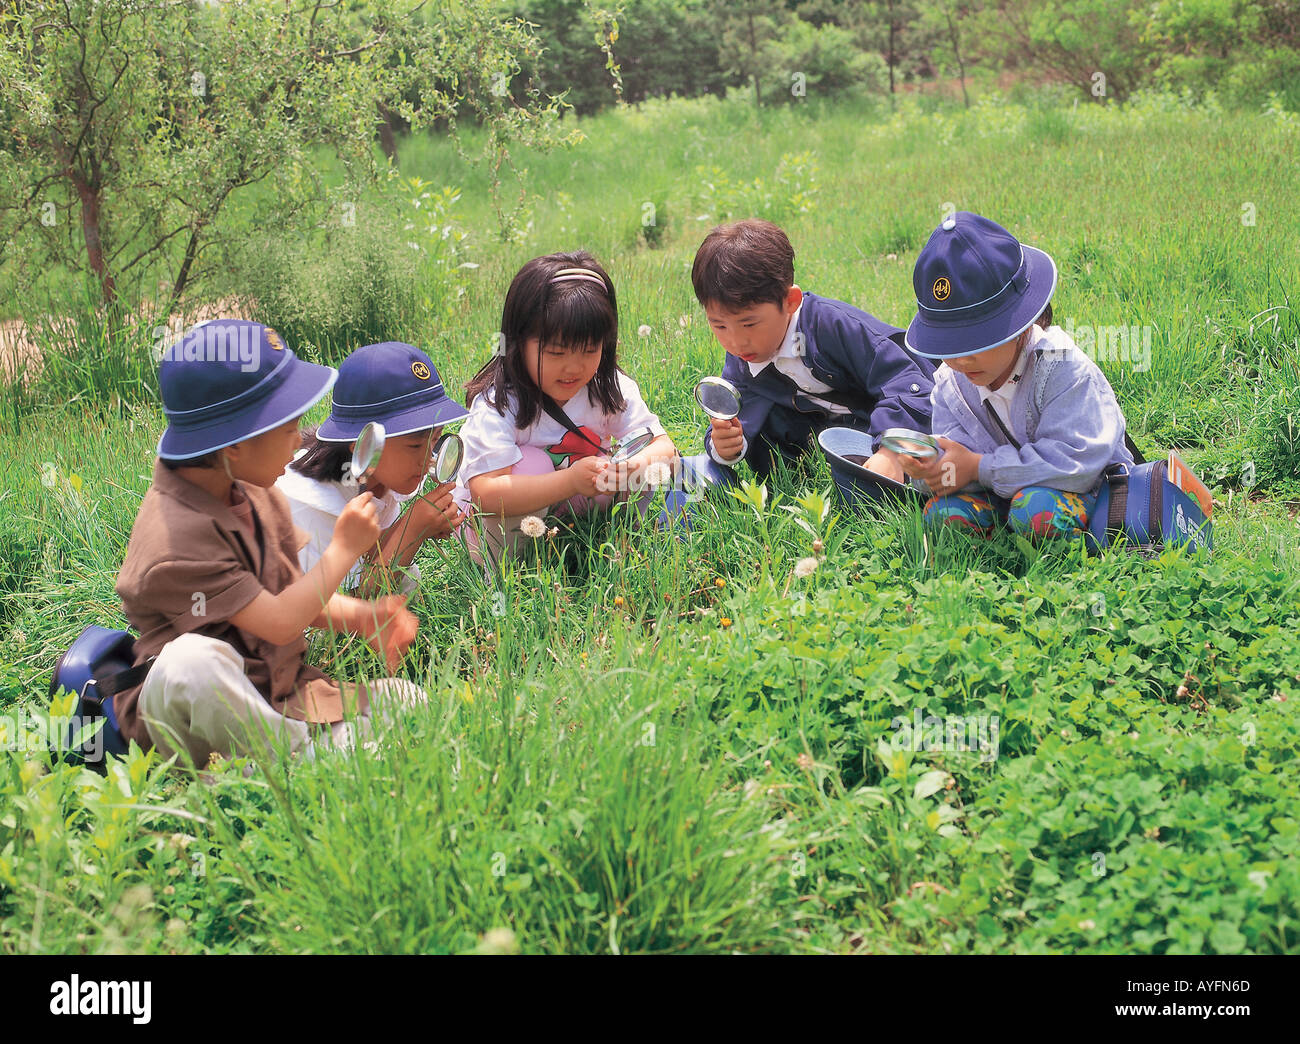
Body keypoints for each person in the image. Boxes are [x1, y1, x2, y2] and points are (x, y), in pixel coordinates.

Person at [113, 320, 422, 768]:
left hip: (278, 693)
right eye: (288, 427)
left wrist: (363, 616)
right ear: (236, 444)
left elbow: (286, 594)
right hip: (193, 718)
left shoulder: (253, 489)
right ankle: (301, 766)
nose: (300, 439)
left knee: (408, 700)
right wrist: (342, 550)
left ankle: (294, 755)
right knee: (192, 663)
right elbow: (277, 622)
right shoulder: (173, 539)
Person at [898, 211, 1134, 538]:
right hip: (1001, 492)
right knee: (942, 515)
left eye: (979, 340)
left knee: (1035, 512)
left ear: (1021, 325)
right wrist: (930, 470)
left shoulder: (1060, 367)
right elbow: (957, 467)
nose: (963, 360)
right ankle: (1002, 542)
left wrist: (979, 467)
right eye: (950, 345)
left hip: (1086, 490)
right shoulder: (949, 388)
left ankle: (1074, 549)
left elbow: (1075, 466)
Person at [457, 251, 678, 569]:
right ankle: (509, 564)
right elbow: (486, 493)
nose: (573, 368)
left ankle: (621, 543)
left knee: (638, 457)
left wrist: (631, 467)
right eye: (556, 352)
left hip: (574, 504)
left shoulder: (608, 387)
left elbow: (665, 449)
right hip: (501, 519)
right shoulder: (501, 403)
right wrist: (570, 482)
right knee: (532, 463)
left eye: (590, 350)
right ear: (519, 343)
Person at [692, 218, 936, 491]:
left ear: (790, 302)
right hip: (824, 427)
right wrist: (726, 445)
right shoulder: (744, 356)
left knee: (865, 489)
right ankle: (791, 486)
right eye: (719, 325)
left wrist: (890, 451)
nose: (736, 341)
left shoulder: (833, 326)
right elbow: (739, 414)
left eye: (749, 324)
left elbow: (908, 385)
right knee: (762, 427)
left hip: (883, 418)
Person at [277, 341, 467, 596]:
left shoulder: (379, 481)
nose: (429, 459)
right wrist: (413, 528)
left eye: (435, 440)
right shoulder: (311, 505)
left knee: (408, 580)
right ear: (363, 448)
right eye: (414, 446)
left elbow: (373, 557)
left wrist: (423, 528)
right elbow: (352, 606)